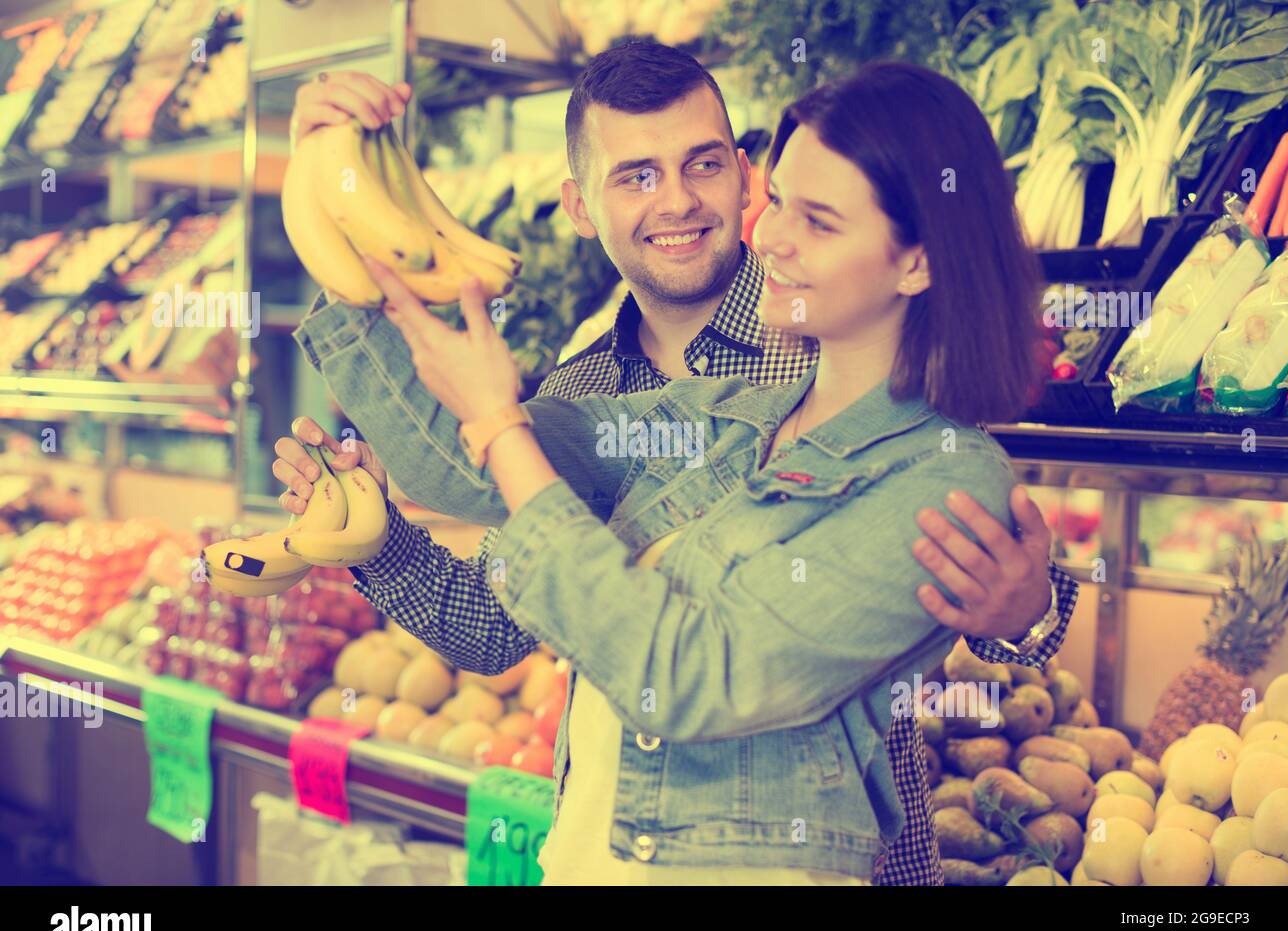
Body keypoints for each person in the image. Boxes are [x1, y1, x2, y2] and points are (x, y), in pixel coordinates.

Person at [281, 44, 1078, 884]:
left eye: (702, 165)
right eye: (635, 176)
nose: (681, 202)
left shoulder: (870, 393)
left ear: (741, 176)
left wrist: (1027, 611)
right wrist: (340, 214)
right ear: (581, 207)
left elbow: (704, 671)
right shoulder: (666, 399)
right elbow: (494, 600)